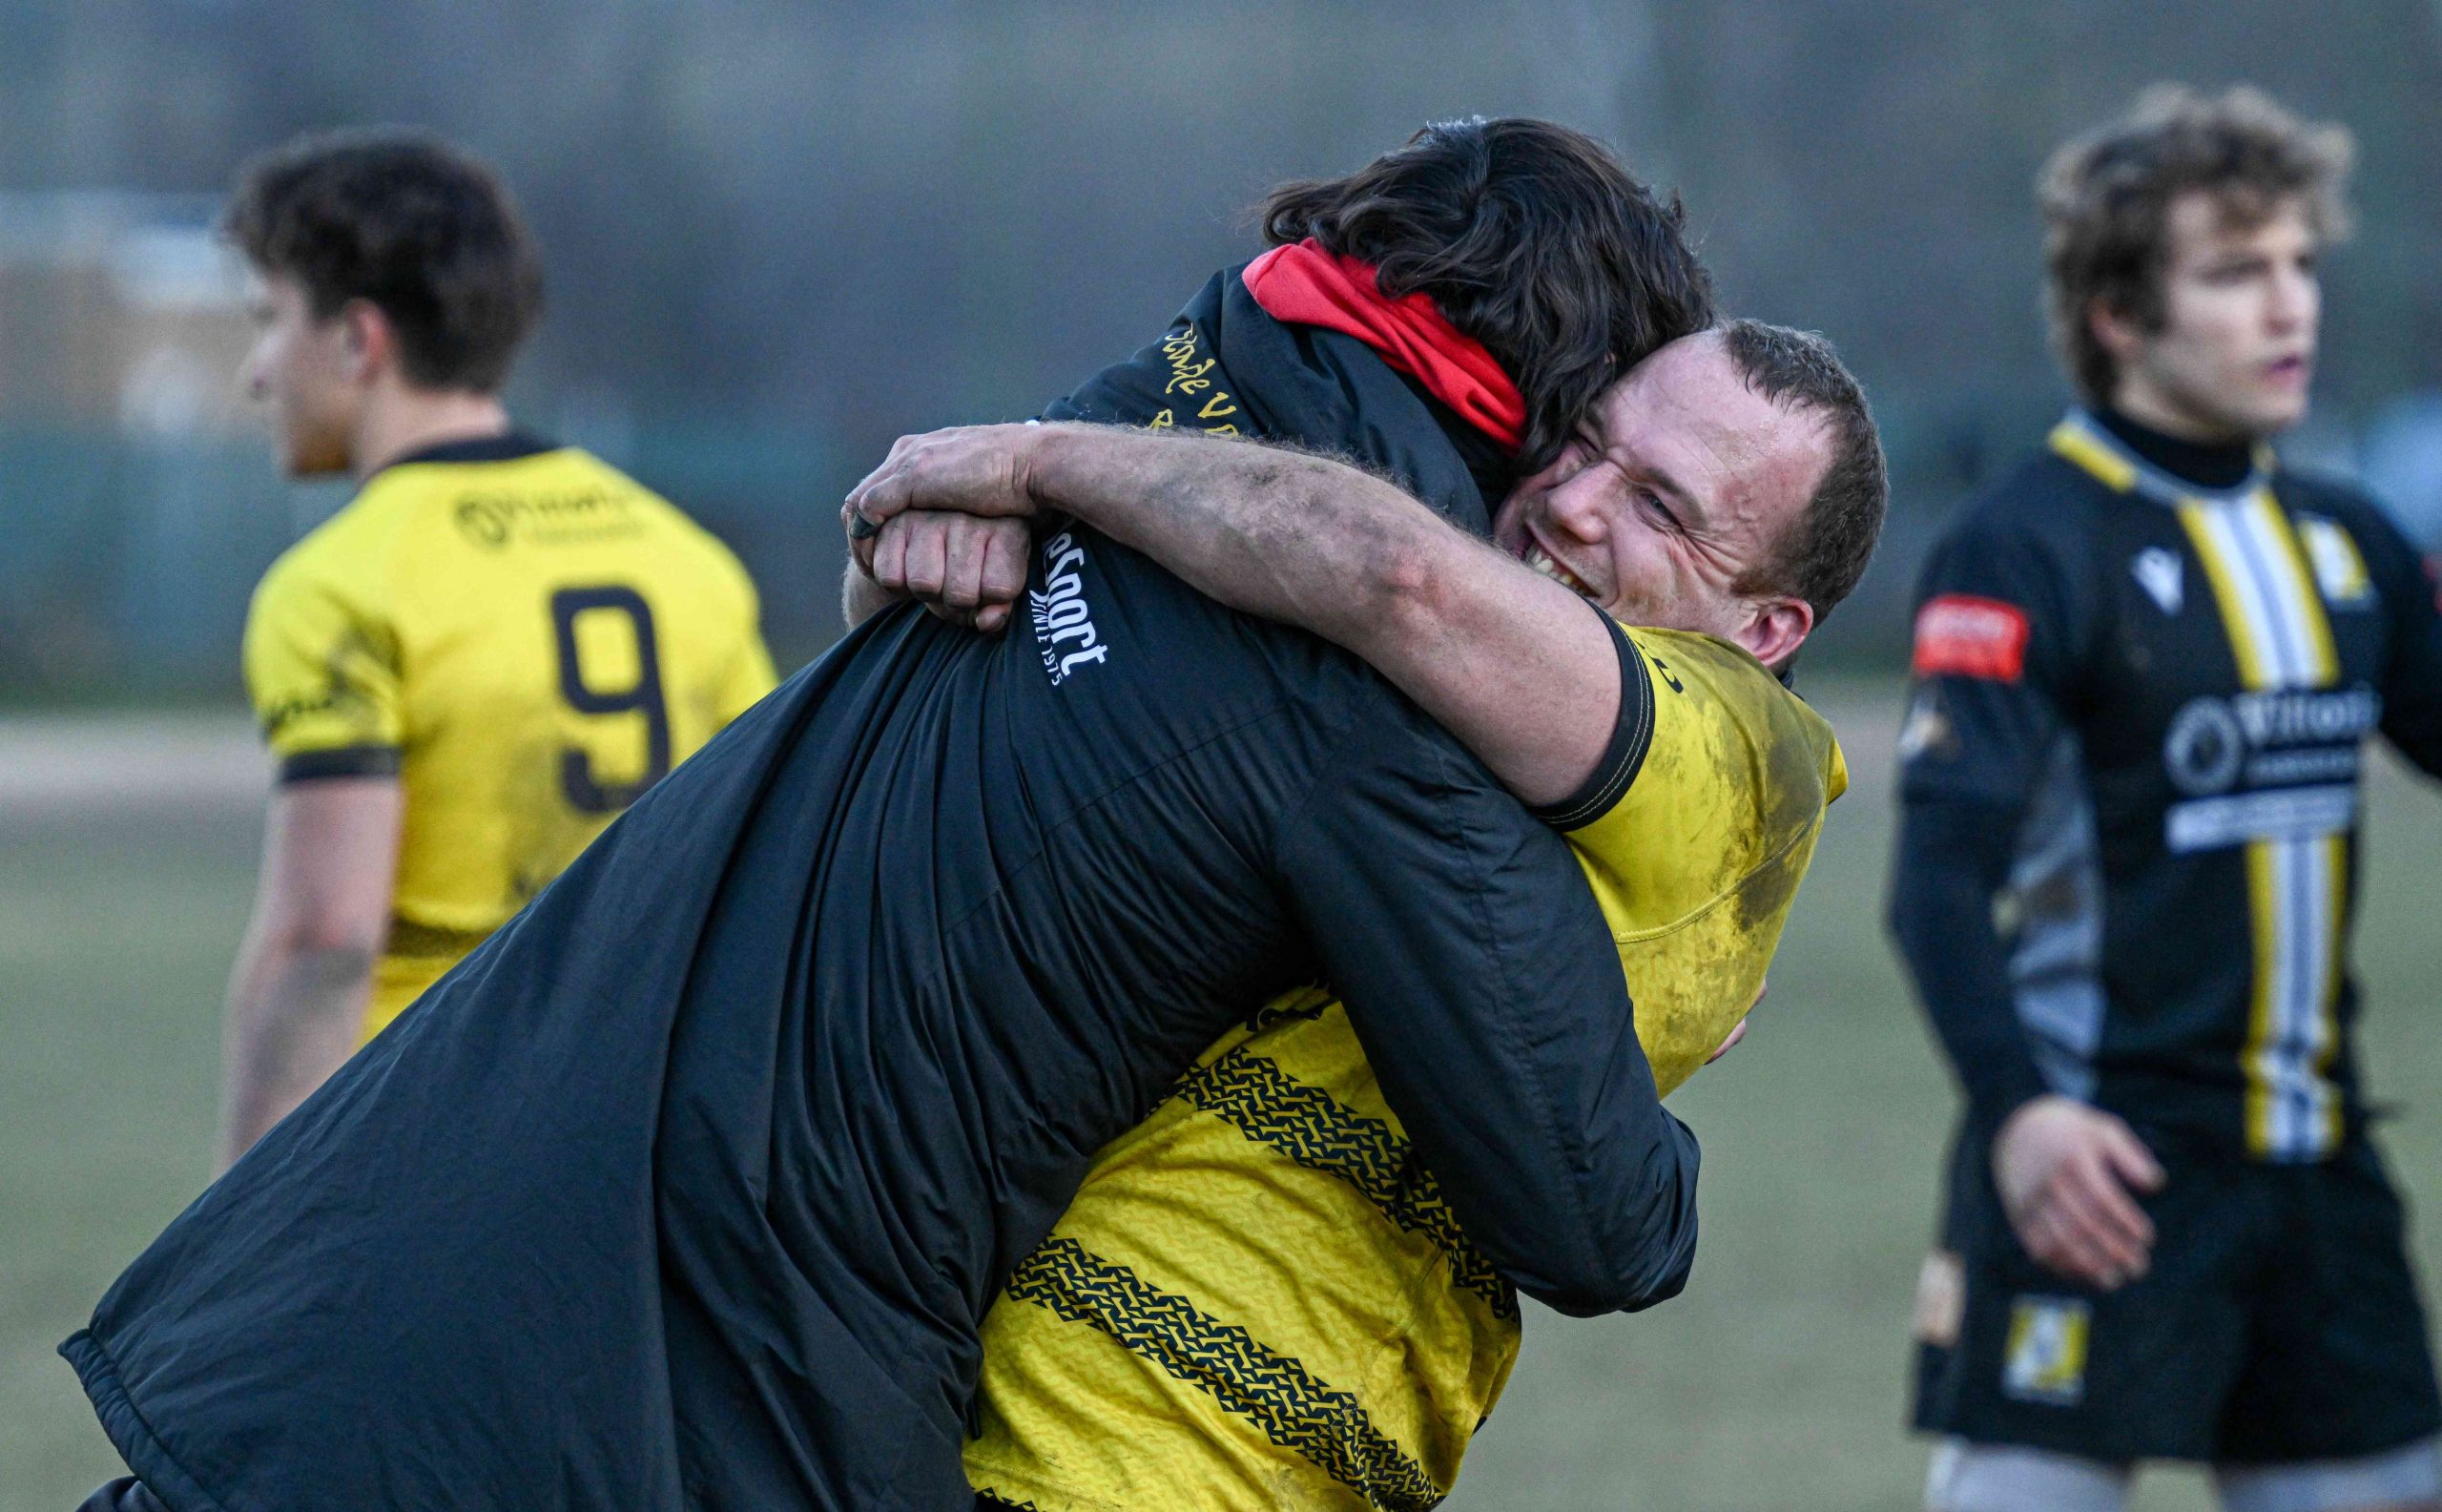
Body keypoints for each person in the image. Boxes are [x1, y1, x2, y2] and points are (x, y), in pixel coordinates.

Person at [65, 119, 1741, 1512]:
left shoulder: (1111, 418)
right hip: (673, 1396)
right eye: (1605, 451)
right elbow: (1604, 1220)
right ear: (1542, 411)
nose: (1589, 513)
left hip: (385, 1250)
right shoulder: (1357, 686)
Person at [841, 315, 1885, 1510]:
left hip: (1150, 1463)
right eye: (1587, 439)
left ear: (1764, 633)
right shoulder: (1501, 741)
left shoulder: (1732, 747)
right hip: (1036, 1412)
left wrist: (1035, 460)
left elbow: (1402, 579)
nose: (1576, 504)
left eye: (1662, 509)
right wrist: (910, 579)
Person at [1890, 86, 2442, 1512]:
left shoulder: (2350, 541)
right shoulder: (2026, 548)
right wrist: (2020, 1118)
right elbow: (1937, 882)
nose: (2288, 307)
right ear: (2121, 315)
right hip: (2097, 1162)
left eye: (2301, 265)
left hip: (2316, 1175)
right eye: (2235, 271)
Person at [216, 129, 776, 1168]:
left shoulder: (339, 585)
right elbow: (759, 867)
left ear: (358, 342)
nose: (256, 372)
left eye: (268, 321)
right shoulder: (688, 561)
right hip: (639, 1144)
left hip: (426, 1145)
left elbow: (325, 938)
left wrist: (230, 1242)